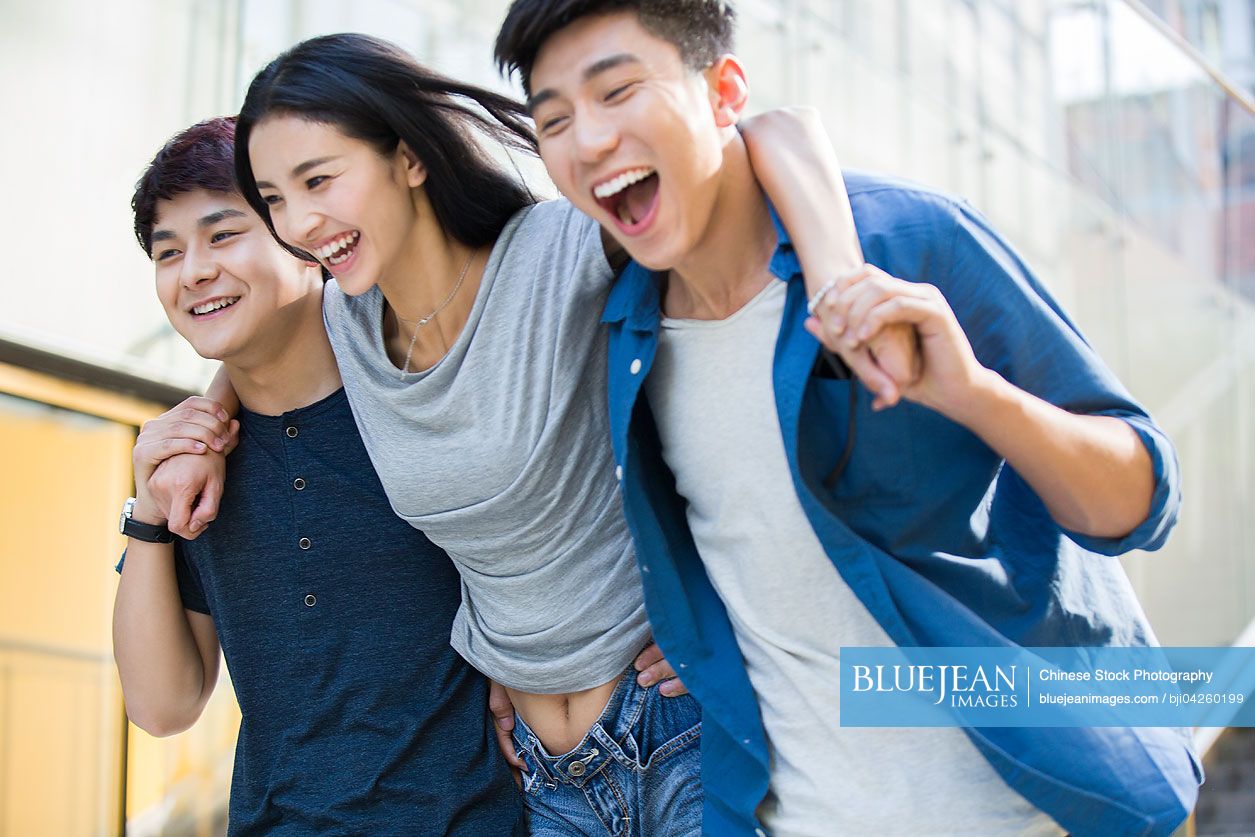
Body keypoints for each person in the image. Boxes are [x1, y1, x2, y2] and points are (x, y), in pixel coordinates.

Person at [493, 2, 1202, 835]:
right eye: (555, 121)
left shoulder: (906, 243)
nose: (589, 141)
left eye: (616, 92)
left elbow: (1139, 500)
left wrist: (973, 392)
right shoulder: (622, 339)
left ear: (724, 91)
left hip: (1042, 804)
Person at [150, 32, 845, 834]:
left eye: (318, 180)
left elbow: (766, 135)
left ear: (408, 157)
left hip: (669, 723)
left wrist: (839, 282)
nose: (300, 221)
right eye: (273, 199)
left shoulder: (555, 253)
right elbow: (255, 350)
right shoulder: (350, 319)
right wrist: (197, 437)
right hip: (543, 775)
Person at [114, 117, 526, 833]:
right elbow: (162, 704)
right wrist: (147, 509)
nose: (193, 271)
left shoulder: (416, 394)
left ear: (305, 241)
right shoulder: (195, 465)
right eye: (166, 250)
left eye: (222, 233)